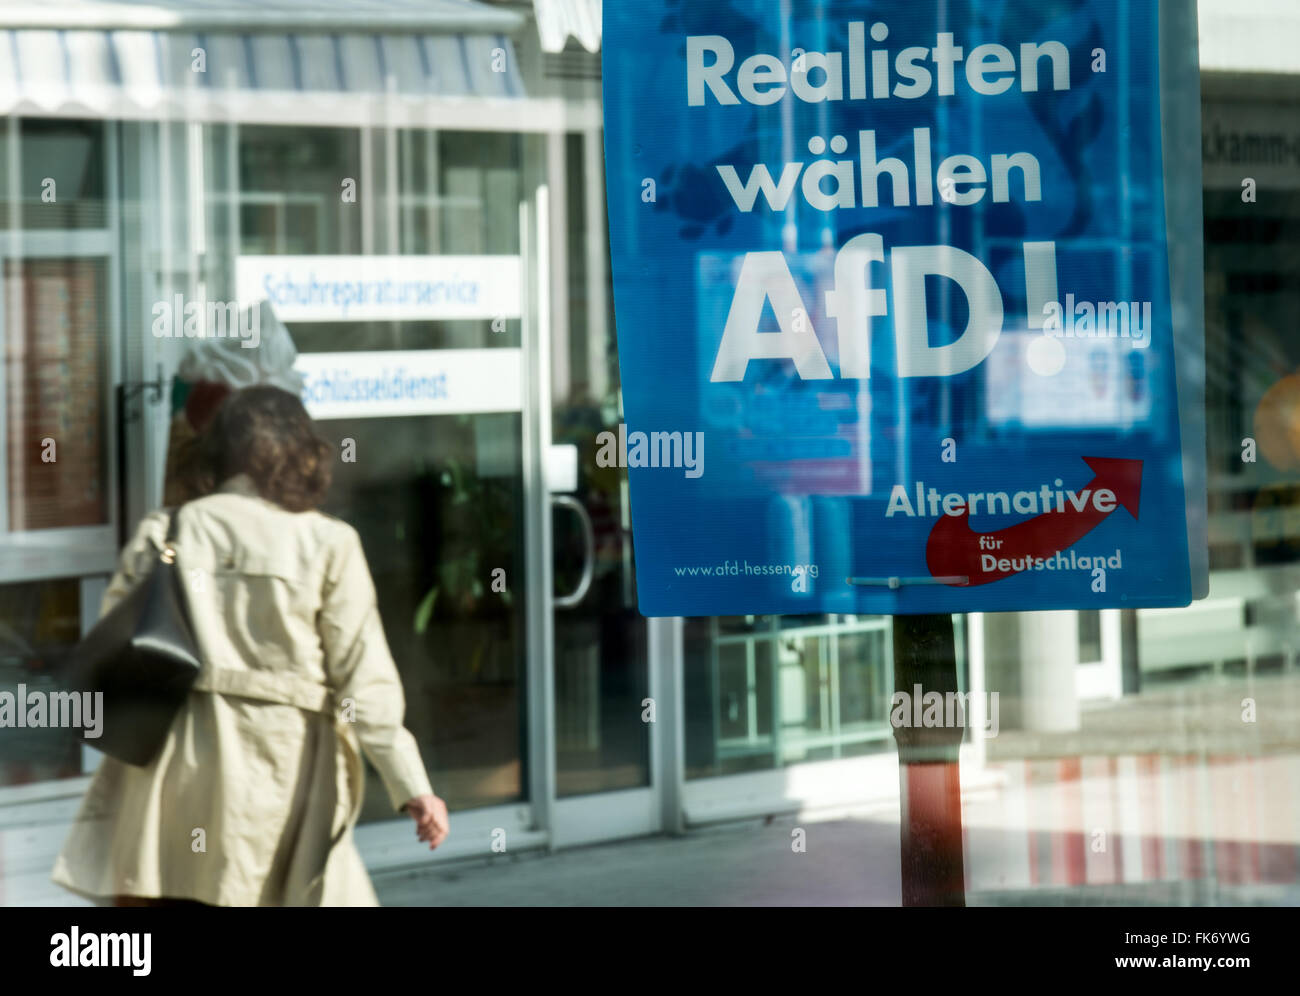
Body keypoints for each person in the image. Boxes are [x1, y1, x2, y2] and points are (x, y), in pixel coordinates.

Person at [51, 385, 448, 906]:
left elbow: (114, 643)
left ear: (217, 451)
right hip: (282, 770)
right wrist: (411, 784)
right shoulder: (328, 543)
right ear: (302, 452)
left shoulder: (166, 529)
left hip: (170, 763)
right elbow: (364, 680)